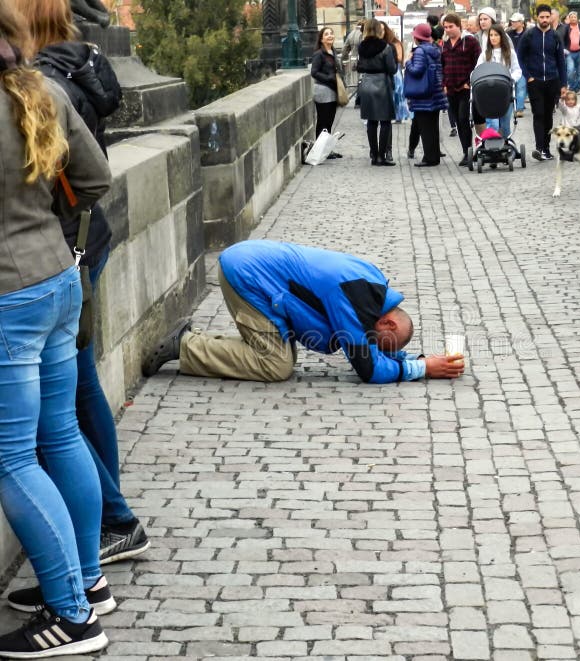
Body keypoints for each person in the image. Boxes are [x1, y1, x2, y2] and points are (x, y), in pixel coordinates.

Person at [17, 0, 150, 567]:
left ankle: (114, 519)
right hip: (85, 241)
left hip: (56, 253)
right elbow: (93, 175)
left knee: (59, 411)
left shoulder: (41, 83)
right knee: (81, 387)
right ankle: (110, 514)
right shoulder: (83, 65)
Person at [0, 0, 114, 656]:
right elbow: (94, 179)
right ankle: (87, 581)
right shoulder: (40, 90)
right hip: (58, 279)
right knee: (61, 433)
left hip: (9, 296)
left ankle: (72, 617)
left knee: (13, 457)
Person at [142, 241, 467, 383]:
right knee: (276, 364)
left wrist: (416, 360)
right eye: (382, 342)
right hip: (246, 276)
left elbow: (371, 353)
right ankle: (186, 346)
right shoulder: (355, 296)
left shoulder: (372, 288)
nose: (374, 344)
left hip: (253, 269)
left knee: (278, 356)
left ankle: (193, 342)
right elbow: (369, 368)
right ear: (388, 322)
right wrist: (423, 369)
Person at [518, 4, 567, 160]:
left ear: (551, 17)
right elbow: (520, 57)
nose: (545, 19)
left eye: (547, 17)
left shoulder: (556, 36)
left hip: (552, 80)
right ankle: (539, 148)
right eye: (542, 17)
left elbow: (561, 61)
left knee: (548, 115)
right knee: (538, 114)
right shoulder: (529, 35)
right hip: (535, 81)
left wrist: (563, 84)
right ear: (536, 18)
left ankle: (546, 148)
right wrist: (528, 76)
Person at [404, 22, 448, 167]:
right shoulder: (435, 49)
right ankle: (434, 157)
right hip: (435, 92)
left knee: (426, 128)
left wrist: (408, 62)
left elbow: (416, 70)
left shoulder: (419, 51)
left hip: (423, 95)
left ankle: (429, 158)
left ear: (417, 37)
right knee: (433, 127)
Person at [441, 12, 482, 166]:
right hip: (451, 88)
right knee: (458, 121)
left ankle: (470, 151)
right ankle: (466, 151)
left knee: (464, 118)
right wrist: (444, 84)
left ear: (459, 26)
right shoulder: (445, 44)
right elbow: (442, 65)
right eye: (445, 27)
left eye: (450, 27)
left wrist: (470, 82)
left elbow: (478, 63)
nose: (448, 30)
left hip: (465, 87)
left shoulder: (470, 42)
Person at [356, 18, 396, 166]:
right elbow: (392, 68)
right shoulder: (386, 47)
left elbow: (359, 66)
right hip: (382, 83)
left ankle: (374, 155)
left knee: (371, 121)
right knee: (385, 121)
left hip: (367, 83)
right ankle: (381, 156)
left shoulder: (361, 47)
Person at [476, 23, 522, 138]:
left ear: (502, 36)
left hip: (505, 91)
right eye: (491, 35)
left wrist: (511, 79)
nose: (493, 38)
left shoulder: (510, 53)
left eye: (496, 35)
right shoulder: (485, 54)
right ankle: (492, 144)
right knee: (493, 124)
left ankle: (506, 143)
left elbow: (517, 70)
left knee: (505, 124)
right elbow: (477, 70)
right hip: (489, 92)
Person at [310, 27, 344, 159]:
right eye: (326, 34)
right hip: (323, 90)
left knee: (329, 121)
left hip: (333, 90)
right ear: (321, 39)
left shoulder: (333, 52)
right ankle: (320, 149)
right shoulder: (319, 54)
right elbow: (314, 72)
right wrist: (329, 78)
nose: (330, 36)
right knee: (323, 121)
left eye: (331, 33)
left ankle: (327, 149)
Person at [381, 21, 408, 163]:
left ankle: (398, 115)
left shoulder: (393, 44)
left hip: (394, 74)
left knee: (397, 95)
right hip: (384, 78)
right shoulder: (371, 46)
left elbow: (398, 60)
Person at [507, 12, 529, 117]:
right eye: (512, 21)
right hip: (511, 63)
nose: (513, 23)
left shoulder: (528, 34)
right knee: (514, 86)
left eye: (515, 21)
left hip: (524, 64)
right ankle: (516, 105)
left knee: (521, 86)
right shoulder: (509, 34)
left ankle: (519, 109)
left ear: (521, 22)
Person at [563, 11, 580, 92]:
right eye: (571, 17)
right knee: (570, 71)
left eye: (575, 17)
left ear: (577, 18)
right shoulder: (566, 28)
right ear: (569, 18)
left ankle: (577, 88)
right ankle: (572, 87)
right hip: (569, 53)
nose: (573, 18)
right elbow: (563, 38)